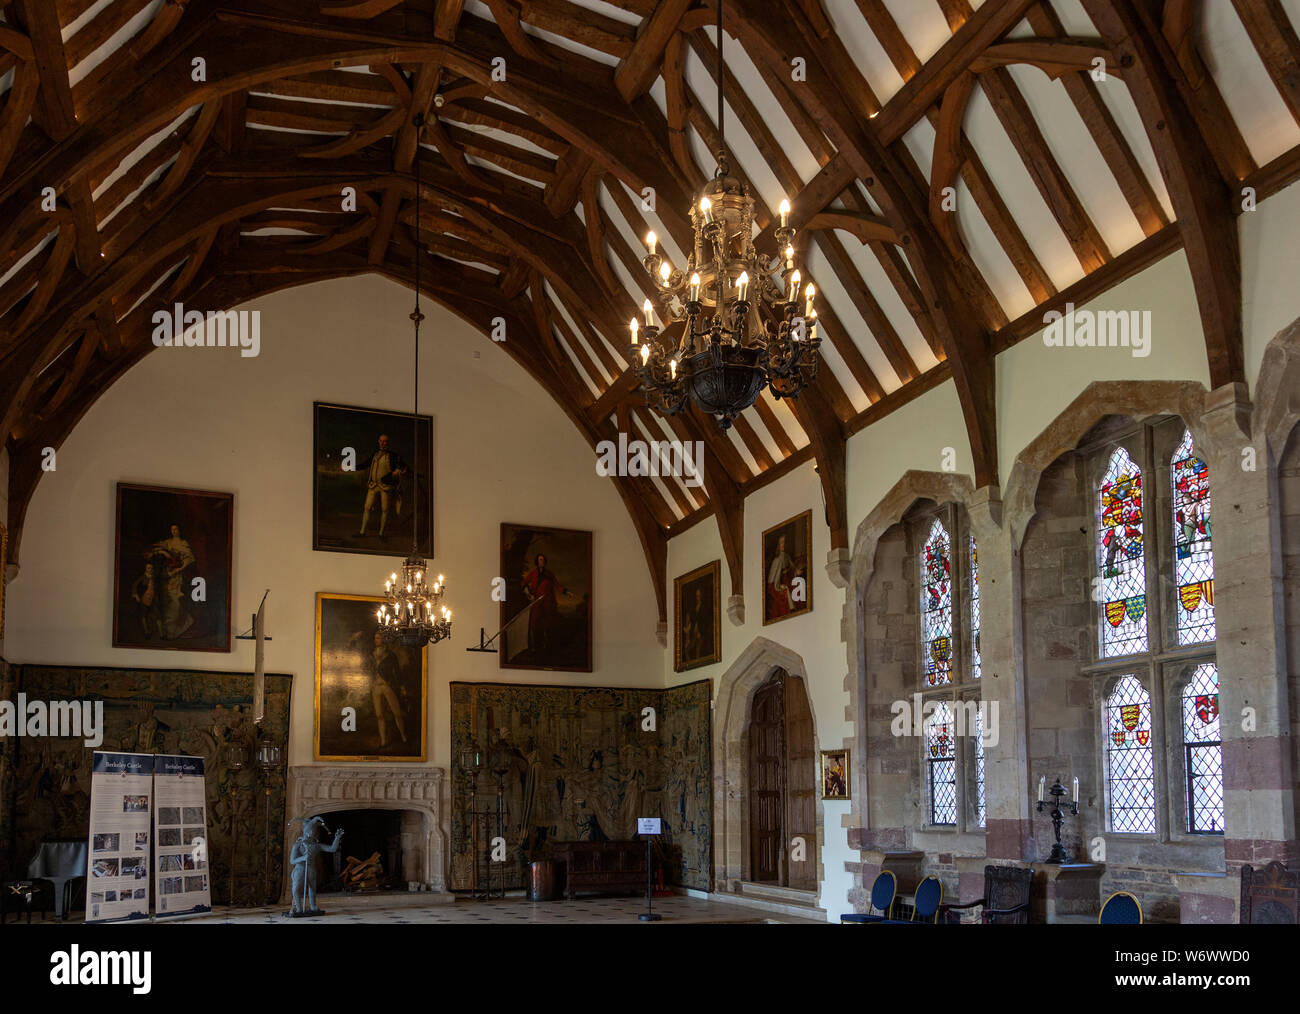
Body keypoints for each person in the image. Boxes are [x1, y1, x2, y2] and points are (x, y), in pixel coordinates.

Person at [351, 629, 408, 748]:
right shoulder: (371, 653)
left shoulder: (391, 655)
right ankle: (383, 741)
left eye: (378, 638)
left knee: (396, 713)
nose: (376, 640)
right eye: (375, 638)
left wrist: (402, 687)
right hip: (376, 687)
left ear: (384, 639)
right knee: (379, 715)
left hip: (387, 686)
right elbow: (361, 652)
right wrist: (357, 637)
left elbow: (397, 672)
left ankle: (403, 735)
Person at [519, 553, 575, 660]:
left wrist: (566, 592)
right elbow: (523, 583)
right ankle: (534, 649)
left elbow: (557, 585)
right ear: (537, 561)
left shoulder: (549, 574)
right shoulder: (533, 573)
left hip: (548, 604)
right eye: (540, 560)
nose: (542, 562)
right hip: (536, 603)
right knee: (535, 625)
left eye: (543, 560)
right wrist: (528, 593)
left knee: (548, 625)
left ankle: (547, 649)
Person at [357, 434, 408, 541]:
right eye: (381, 441)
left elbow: (404, 468)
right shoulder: (375, 454)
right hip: (373, 485)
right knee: (367, 507)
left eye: (385, 441)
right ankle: (362, 532)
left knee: (385, 510)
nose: (382, 443)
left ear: (388, 443)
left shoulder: (393, 455)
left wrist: (397, 471)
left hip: (385, 486)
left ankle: (381, 534)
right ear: (378, 441)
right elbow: (365, 464)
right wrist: (351, 467)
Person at [148, 523, 196, 638]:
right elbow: (155, 550)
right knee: (166, 602)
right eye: (172, 529)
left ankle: (173, 631)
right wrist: (161, 552)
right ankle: (166, 632)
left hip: (176, 577)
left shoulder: (183, 544)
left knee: (175, 602)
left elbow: (188, 559)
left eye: (176, 529)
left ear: (180, 530)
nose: (174, 531)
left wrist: (178, 569)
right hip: (166, 577)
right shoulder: (167, 542)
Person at [766, 532, 795, 619]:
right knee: (785, 593)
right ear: (779, 545)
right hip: (779, 584)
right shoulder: (777, 559)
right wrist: (779, 586)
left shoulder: (787, 556)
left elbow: (792, 567)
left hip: (789, 580)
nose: (783, 544)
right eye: (781, 542)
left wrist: (796, 572)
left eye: (785, 542)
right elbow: (773, 579)